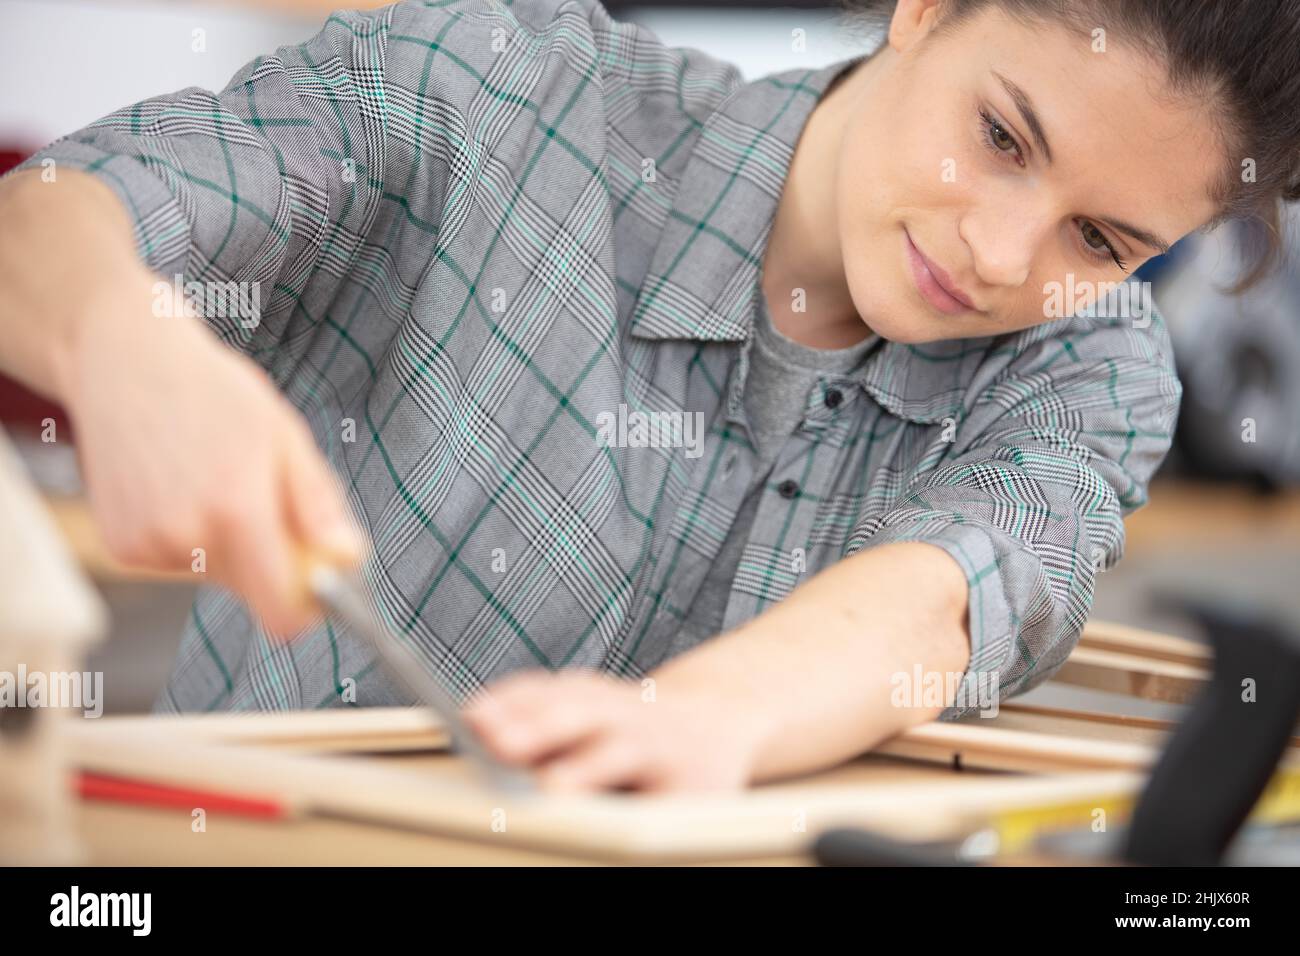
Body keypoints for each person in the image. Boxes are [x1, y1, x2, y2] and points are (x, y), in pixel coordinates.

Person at [1, 0, 1297, 792]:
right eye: (1004, 138)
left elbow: (955, 593)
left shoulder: (1094, 365)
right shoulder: (493, 90)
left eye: (1103, 242)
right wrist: (129, 344)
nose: (1004, 257)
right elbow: (38, 222)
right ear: (924, 6)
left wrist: (711, 716)